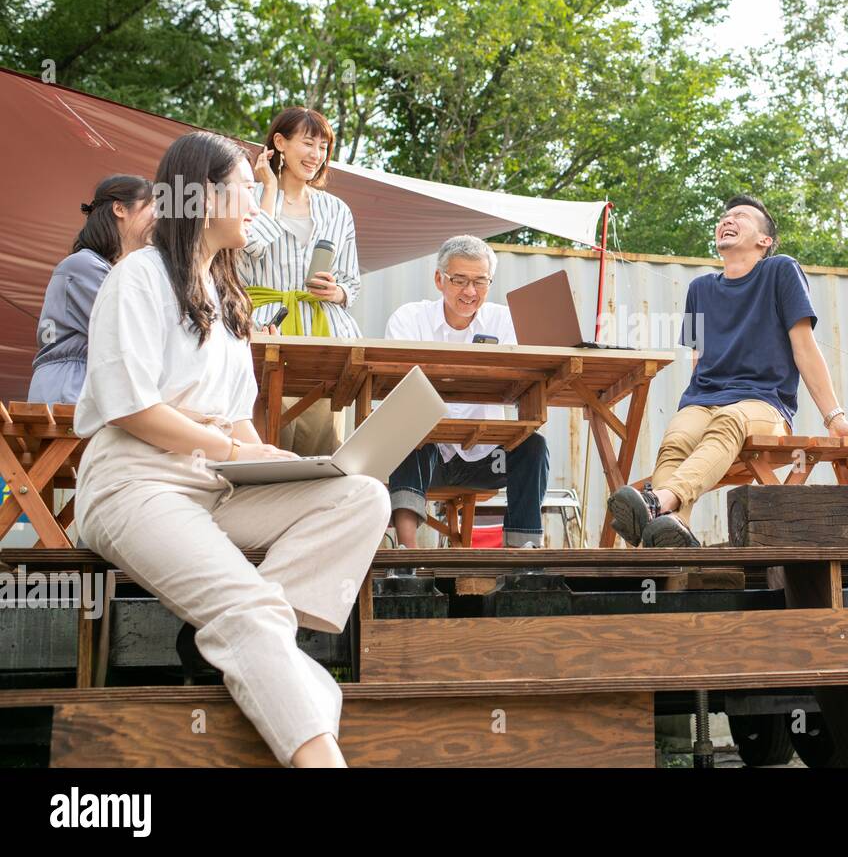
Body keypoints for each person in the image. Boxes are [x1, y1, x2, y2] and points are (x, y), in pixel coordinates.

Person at [74, 131, 390, 767]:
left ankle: (225, 636)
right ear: (201, 194)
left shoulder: (226, 298)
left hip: (216, 487)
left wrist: (276, 460)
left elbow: (236, 423)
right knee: (249, 608)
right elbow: (133, 408)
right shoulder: (137, 277)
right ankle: (314, 749)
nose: (257, 201)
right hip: (136, 487)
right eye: (248, 187)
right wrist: (222, 442)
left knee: (358, 495)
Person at [606, 195, 848, 547]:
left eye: (740, 216)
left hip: (764, 404)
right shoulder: (698, 290)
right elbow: (698, 358)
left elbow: (805, 347)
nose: (728, 220)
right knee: (675, 441)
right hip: (704, 398)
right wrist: (698, 402)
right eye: (724, 217)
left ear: (764, 241)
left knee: (730, 421)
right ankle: (674, 528)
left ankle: (657, 504)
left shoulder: (781, 270)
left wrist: (835, 418)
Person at [385, 235, 550, 549]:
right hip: (430, 459)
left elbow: (527, 380)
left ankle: (523, 560)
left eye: (480, 281)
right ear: (439, 279)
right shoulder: (409, 320)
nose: (470, 292)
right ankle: (406, 558)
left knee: (533, 447)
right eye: (459, 280)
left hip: (485, 460)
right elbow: (400, 389)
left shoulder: (506, 321)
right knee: (409, 438)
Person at [241, 106, 362, 455]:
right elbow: (252, 244)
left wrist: (336, 291)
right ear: (279, 142)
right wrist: (269, 189)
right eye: (308, 143)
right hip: (266, 329)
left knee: (321, 445)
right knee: (266, 442)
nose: (316, 155)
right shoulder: (248, 198)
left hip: (323, 335)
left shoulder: (337, 209)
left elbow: (351, 282)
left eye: (323, 146)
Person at [28, 175, 155, 404]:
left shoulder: (107, 269)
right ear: (120, 209)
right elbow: (132, 329)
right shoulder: (84, 266)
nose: (159, 219)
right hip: (70, 389)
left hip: (86, 388)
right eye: (152, 207)